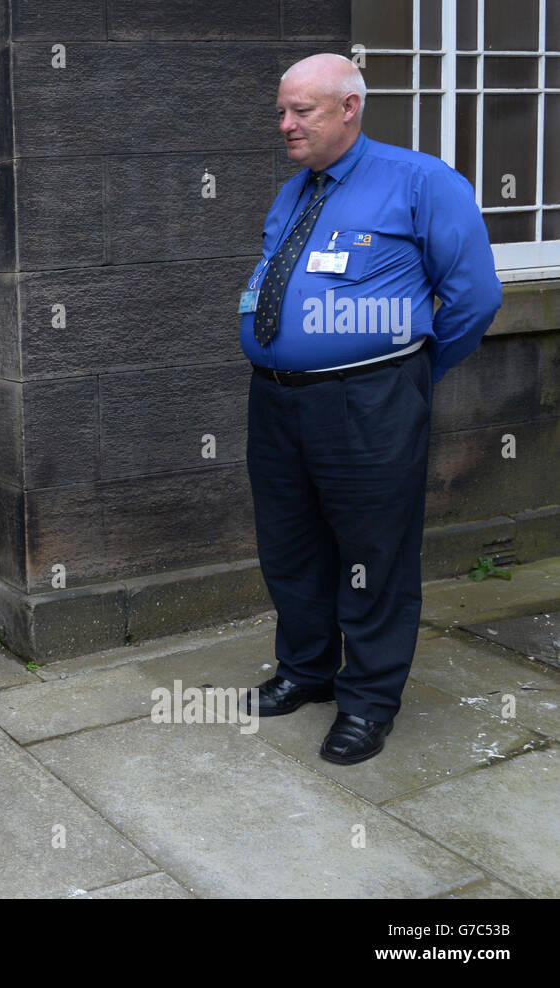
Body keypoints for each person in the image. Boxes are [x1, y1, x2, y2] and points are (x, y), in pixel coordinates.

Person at [241, 53, 501, 764]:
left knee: (373, 555)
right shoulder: (295, 193)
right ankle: (306, 672)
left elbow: (476, 297)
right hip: (276, 402)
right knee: (291, 547)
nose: (286, 125)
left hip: (370, 402)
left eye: (303, 111)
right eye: (282, 112)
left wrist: (411, 370)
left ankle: (368, 702)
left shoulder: (421, 182)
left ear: (349, 108)